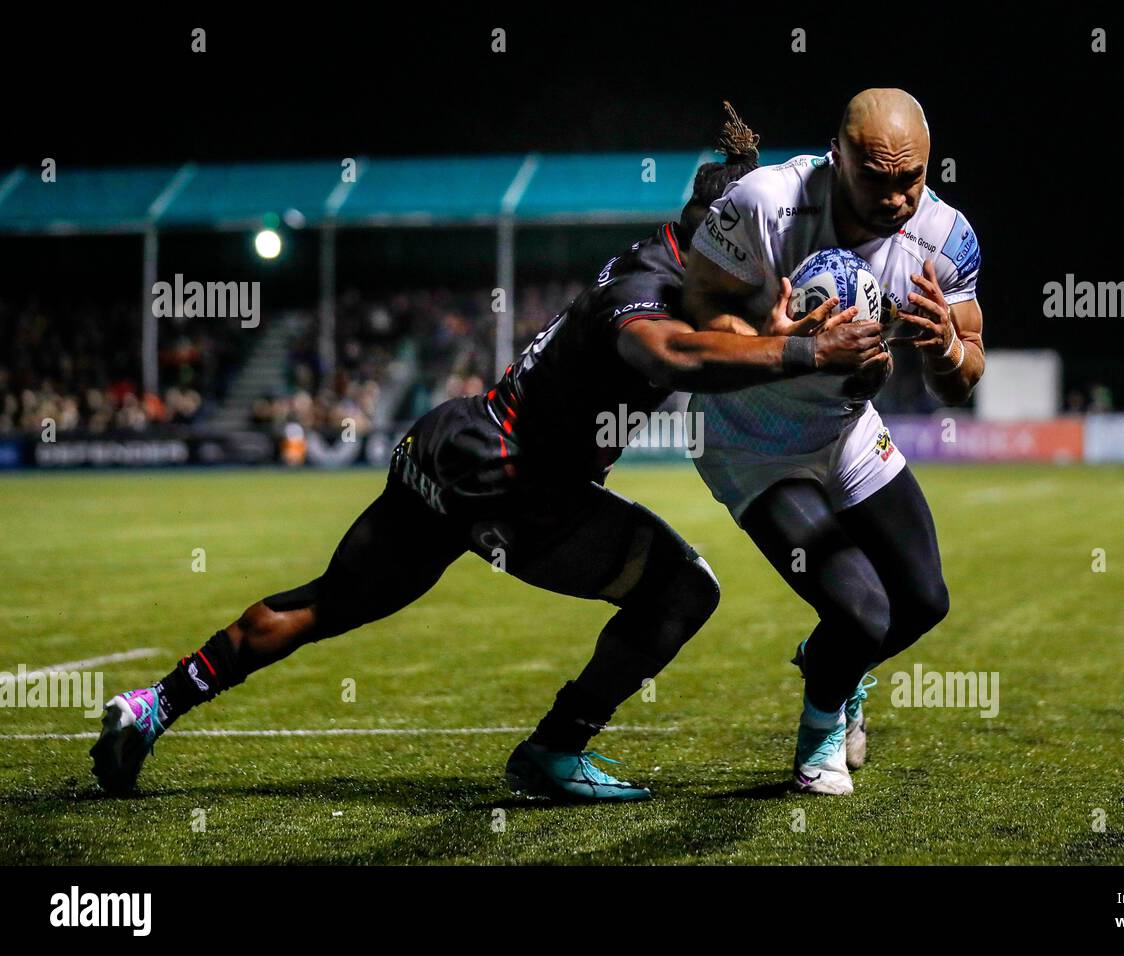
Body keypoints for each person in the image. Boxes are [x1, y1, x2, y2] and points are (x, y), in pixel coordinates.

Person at [91, 105, 887, 802]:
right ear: (724, 238)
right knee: (683, 592)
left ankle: (154, 706)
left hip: (451, 443)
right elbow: (675, 356)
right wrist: (808, 357)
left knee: (325, 603)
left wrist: (785, 327)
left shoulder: (673, 265)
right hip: (518, 484)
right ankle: (555, 748)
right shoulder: (646, 290)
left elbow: (722, 340)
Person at [682, 88, 986, 794]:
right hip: (749, 436)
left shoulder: (944, 239)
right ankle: (818, 746)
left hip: (846, 430)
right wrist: (780, 343)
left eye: (911, 178)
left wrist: (944, 348)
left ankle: (832, 663)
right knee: (859, 608)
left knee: (923, 601)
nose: (897, 198)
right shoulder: (765, 204)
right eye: (876, 178)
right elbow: (697, 317)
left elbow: (961, 379)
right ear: (836, 156)